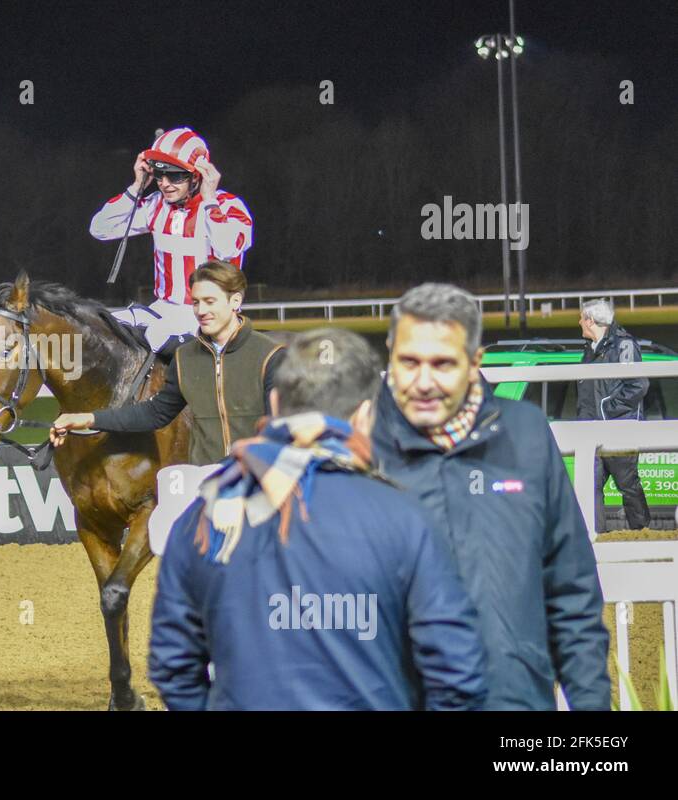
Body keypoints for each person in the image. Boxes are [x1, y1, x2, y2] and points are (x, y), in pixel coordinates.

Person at [149, 329, 487, 710]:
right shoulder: (406, 518)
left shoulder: (205, 513)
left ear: (275, 404)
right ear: (365, 415)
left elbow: (172, 664)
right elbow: (457, 669)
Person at [372, 283, 610, 710]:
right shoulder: (361, 446)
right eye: (409, 362)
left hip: (511, 699)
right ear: (390, 354)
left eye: (442, 364)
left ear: (474, 362)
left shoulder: (527, 433)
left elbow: (570, 589)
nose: (423, 382)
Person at [50, 261, 284, 466]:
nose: (201, 311)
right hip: (207, 486)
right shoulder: (184, 358)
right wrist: (86, 418)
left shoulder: (270, 355)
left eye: (210, 301)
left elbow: (281, 431)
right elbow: (155, 413)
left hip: (260, 482)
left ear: (235, 301)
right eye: (196, 302)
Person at [90, 127, 254, 353]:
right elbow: (100, 228)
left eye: (174, 175)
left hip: (209, 315)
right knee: (99, 328)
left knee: (156, 337)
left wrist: (209, 201)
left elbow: (226, 248)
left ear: (198, 175)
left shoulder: (229, 206)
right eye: (159, 174)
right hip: (162, 309)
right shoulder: (156, 205)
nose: (165, 183)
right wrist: (137, 186)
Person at [578, 298, 651, 532]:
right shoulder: (589, 350)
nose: (579, 321)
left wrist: (605, 411)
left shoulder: (624, 345)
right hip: (591, 433)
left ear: (590, 320)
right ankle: (594, 538)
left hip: (619, 431)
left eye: (581, 317)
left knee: (628, 486)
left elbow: (637, 385)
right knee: (590, 486)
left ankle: (643, 535)